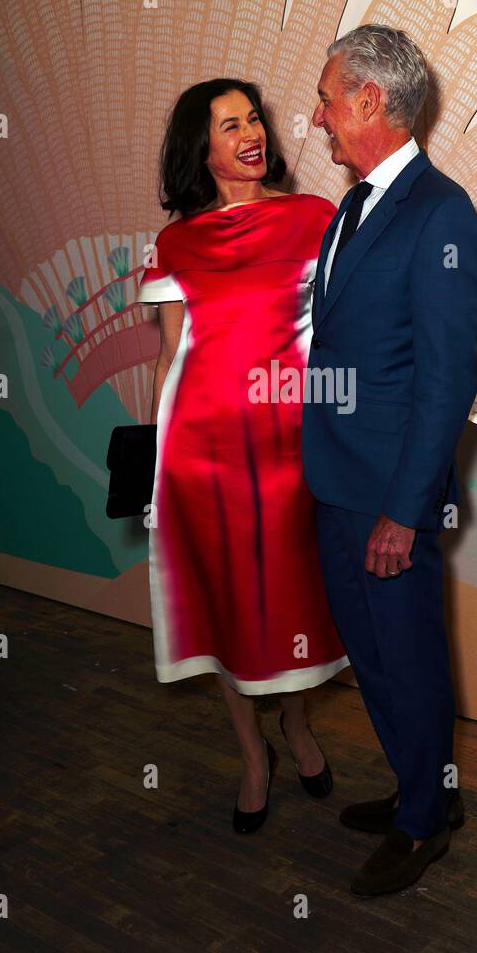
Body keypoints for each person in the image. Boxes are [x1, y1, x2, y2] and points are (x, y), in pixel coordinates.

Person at [302, 24, 477, 897]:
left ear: (371, 101)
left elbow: (446, 383)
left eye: (329, 96)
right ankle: (421, 785)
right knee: (371, 656)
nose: (318, 115)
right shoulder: (351, 207)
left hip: (389, 498)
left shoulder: (443, 214)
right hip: (336, 481)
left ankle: (427, 822)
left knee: (406, 656)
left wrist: (405, 511)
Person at [136, 79, 349, 834]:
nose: (251, 133)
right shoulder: (176, 243)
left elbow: (342, 336)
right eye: (231, 125)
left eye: (253, 118)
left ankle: (296, 726)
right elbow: (169, 359)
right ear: (203, 148)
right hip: (203, 455)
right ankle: (252, 756)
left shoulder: (315, 219)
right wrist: (154, 469)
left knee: (296, 599)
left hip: (290, 451)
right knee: (224, 607)